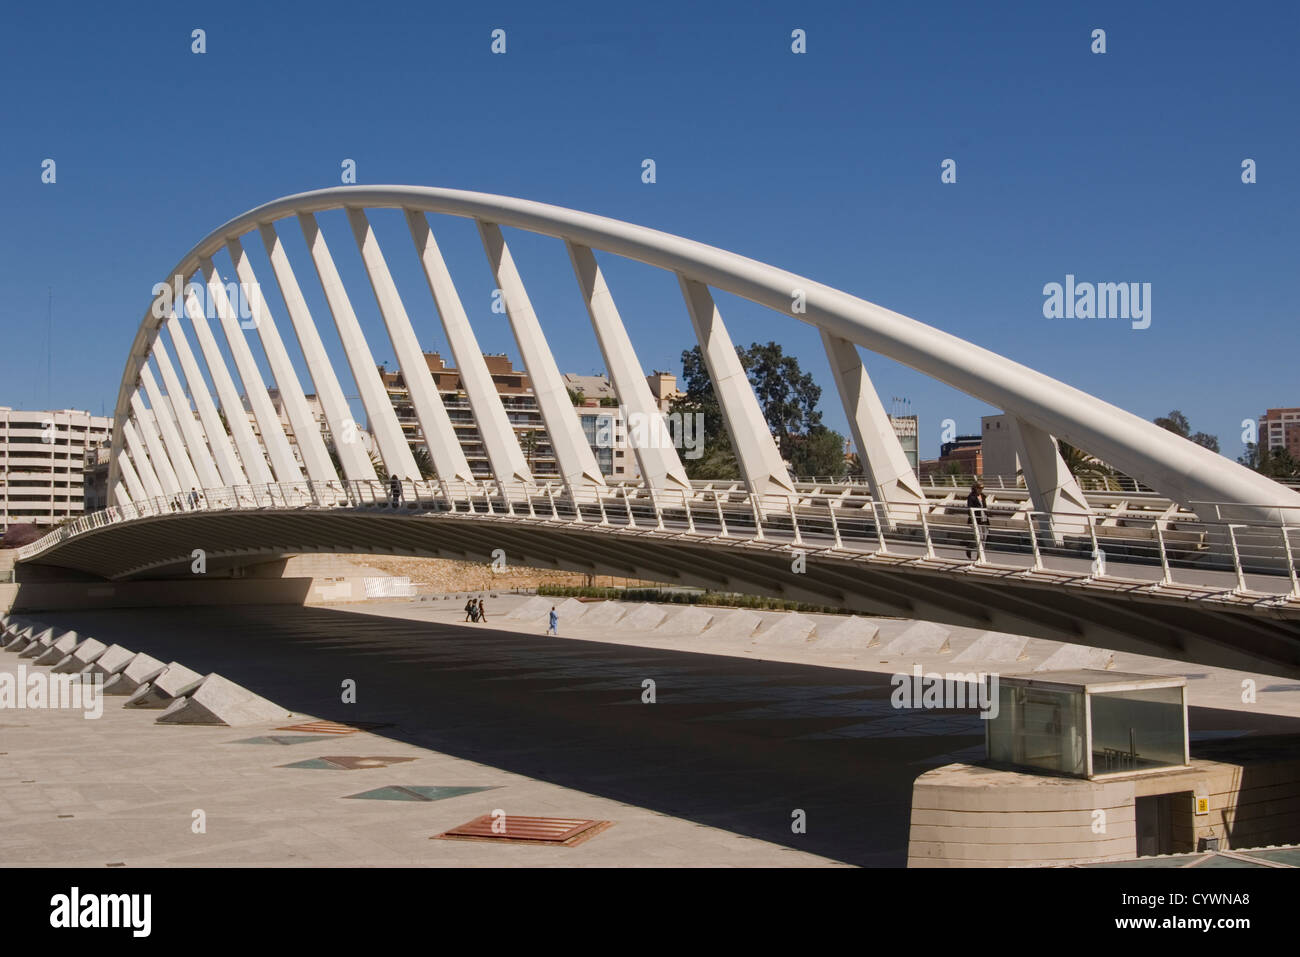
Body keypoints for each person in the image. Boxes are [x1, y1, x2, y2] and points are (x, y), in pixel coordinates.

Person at [965, 482, 988, 559]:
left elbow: (985, 507)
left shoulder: (983, 496)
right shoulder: (971, 497)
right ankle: (970, 548)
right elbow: (969, 509)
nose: (981, 490)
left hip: (984, 519)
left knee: (984, 538)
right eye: (979, 488)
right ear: (975, 488)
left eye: (982, 488)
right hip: (976, 520)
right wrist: (973, 518)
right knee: (980, 537)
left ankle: (980, 557)